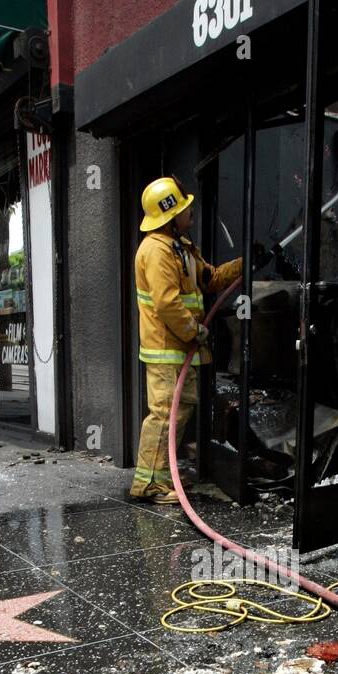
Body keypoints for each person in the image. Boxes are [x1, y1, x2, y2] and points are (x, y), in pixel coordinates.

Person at [130, 176, 242, 504]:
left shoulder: (180, 248)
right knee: (166, 414)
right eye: (183, 207)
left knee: (175, 414)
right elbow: (166, 303)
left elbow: (209, 279)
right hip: (168, 349)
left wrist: (243, 265)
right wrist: (195, 332)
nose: (190, 210)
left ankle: (163, 479)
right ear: (170, 214)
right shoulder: (156, 251)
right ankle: (151, 484)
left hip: (181, 349)